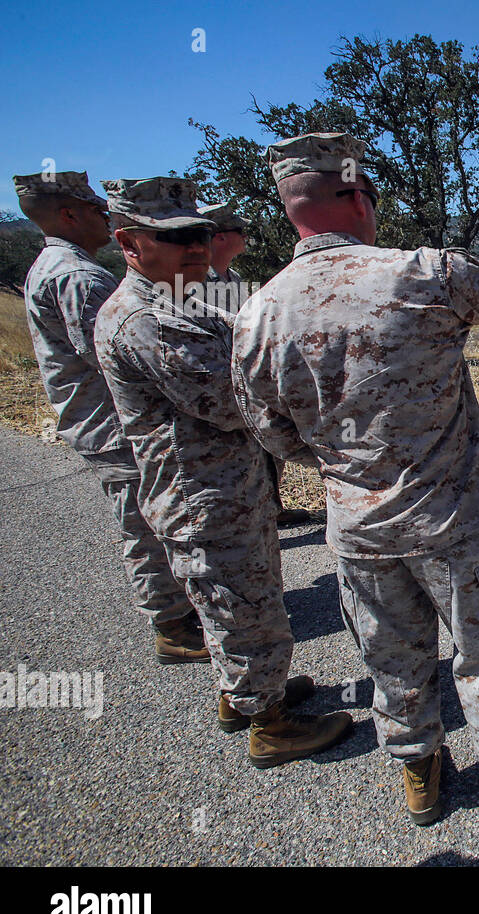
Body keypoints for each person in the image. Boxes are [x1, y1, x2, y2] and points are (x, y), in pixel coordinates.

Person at [233, 132, 479, 828]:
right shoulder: (424, 271)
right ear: (358, 195)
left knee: (390, 652)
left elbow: (271, 431)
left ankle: (420, 773)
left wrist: (348, 467)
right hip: (454, 516)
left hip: (356, 524)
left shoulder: (259, 311)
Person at [94, 175, 348, 762]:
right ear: (129, 243)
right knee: (239, 606)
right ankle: (271, 724)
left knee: (245, 600)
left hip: (226, 486)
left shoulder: (177, 299)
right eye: (174, 236)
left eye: (199, 234)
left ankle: (248, 693)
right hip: (202, 494)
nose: (195, 247)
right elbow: (231, 400)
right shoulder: (146, 318)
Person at [14, 170, 205, 664]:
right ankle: (173, 623)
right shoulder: (77, 276)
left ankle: (180, 612)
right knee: (144, 522)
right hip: (115, 423)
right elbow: (112, 354)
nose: (106, 218)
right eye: (98, 211)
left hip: (103, 419)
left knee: (145, 515)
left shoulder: (64, 267)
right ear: (69, 214)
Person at [200, 199, 317, 528]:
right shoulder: (196, 283)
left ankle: (272, 507)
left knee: (269, 450)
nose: (246, 235)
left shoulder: (232, 277)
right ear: (219, 237)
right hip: (224, 386)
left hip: (251, 381)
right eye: (239, 230)